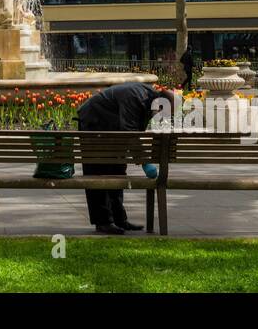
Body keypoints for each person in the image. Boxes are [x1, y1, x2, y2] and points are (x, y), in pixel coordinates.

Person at [75, 82, 180, 235]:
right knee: (97, 172)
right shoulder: (135, 98)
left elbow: (133, 131)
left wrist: (140, 155)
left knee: (117, 169)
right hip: (94, 123)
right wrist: (145, 162)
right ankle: (103, 222)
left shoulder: (150, 99)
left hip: (112, 126)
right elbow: (130, 132)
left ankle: (119, 219)